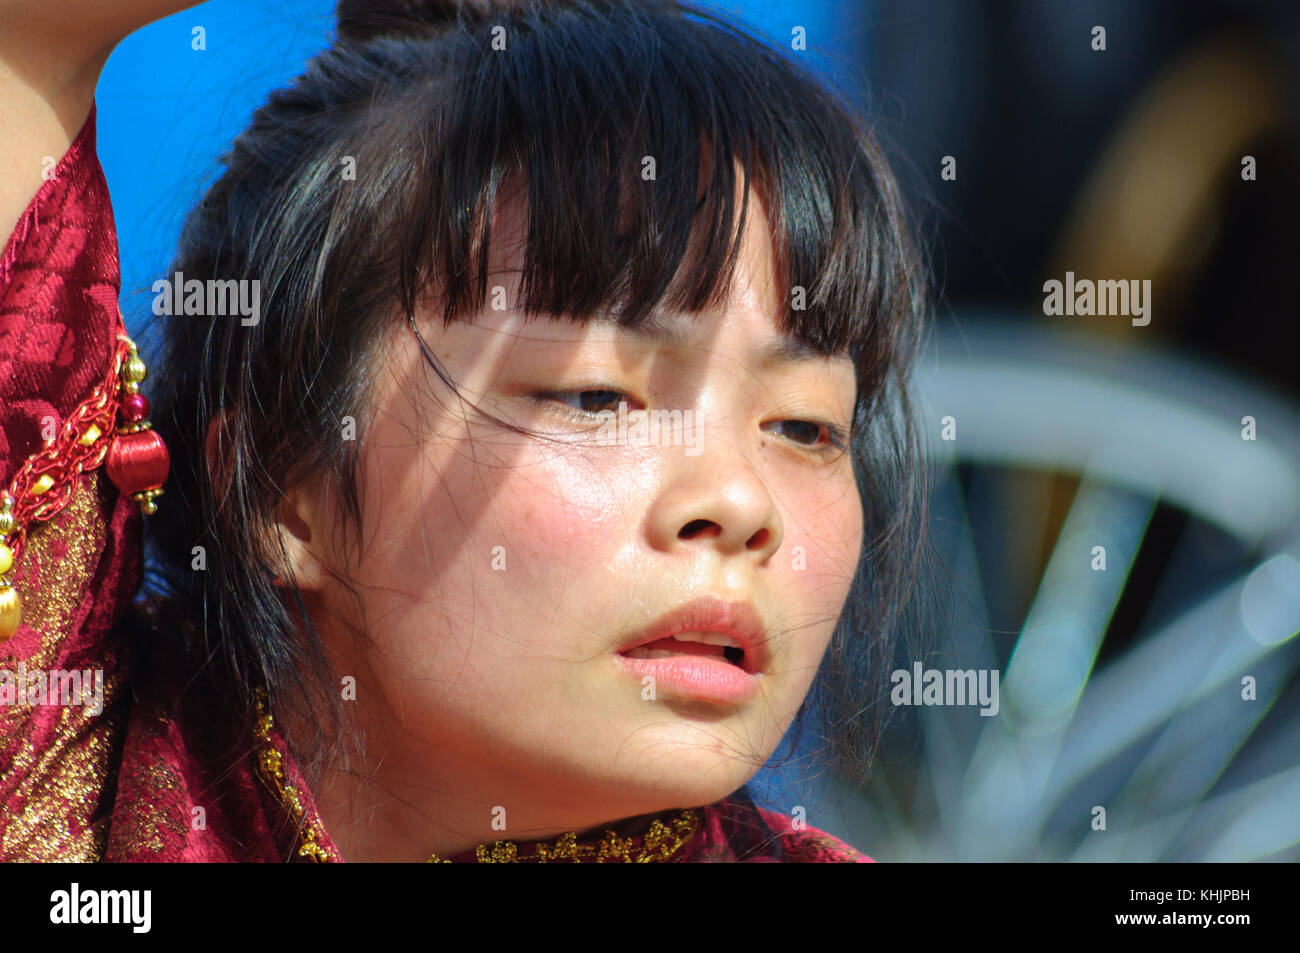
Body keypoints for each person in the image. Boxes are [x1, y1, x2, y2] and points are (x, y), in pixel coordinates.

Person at [0, 0, 932, 862]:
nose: (739, 501)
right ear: (283, 485)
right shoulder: (59, 783)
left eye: (807, 426)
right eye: (598, 397)